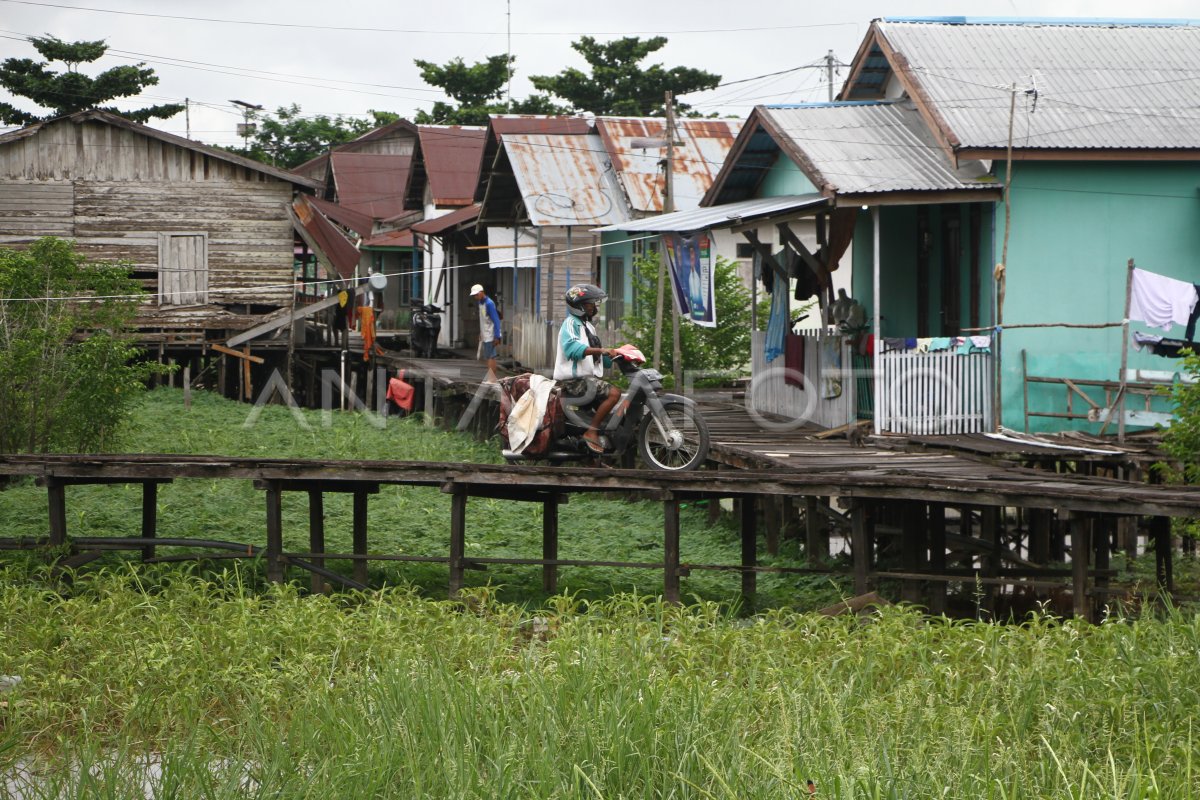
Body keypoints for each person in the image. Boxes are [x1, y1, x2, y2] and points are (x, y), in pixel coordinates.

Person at [555, 283, 621, 454]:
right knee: (614, 393)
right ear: (579, 306)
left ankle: (596, 457)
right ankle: (591, 432)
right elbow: (572, 349)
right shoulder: (570, 324)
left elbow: (597, 359)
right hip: (572, 381)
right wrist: (601, 350)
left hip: (587, 381)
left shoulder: (588, 327)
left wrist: (617, 355)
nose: (594, 307)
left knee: (611, 417)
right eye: (591, 303)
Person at [470, 283, 502, 382]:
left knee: (491, 356)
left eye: (476, 294)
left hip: (490, 334)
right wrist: (481, 332)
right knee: (488, 356)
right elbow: (483, 320)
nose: (475, 297)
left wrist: (497, 335)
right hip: (485, 333)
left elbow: (496, 320)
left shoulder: (489, 303)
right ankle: (491, 378)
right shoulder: (481, 303)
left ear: (481, 292)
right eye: (474, 295)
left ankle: (492, 379)